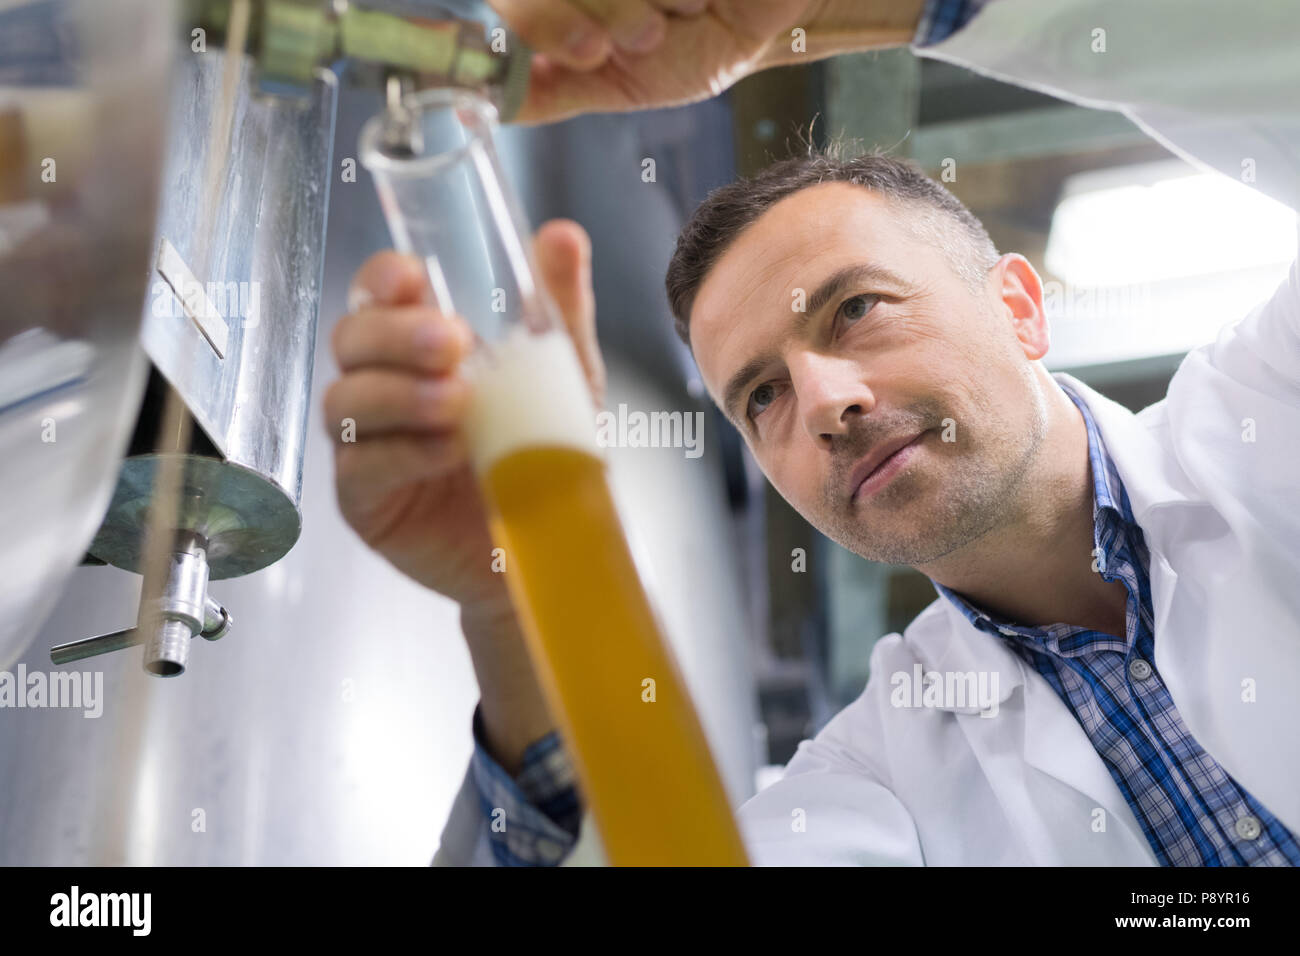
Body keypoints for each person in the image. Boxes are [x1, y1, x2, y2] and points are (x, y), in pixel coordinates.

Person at [324, 0, 1300, 865]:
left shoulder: (1272, 408)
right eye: (761, 396)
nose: (825, 402)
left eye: (857, 309)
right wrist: (521, 605)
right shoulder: (874, 775)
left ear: (1018, 306)